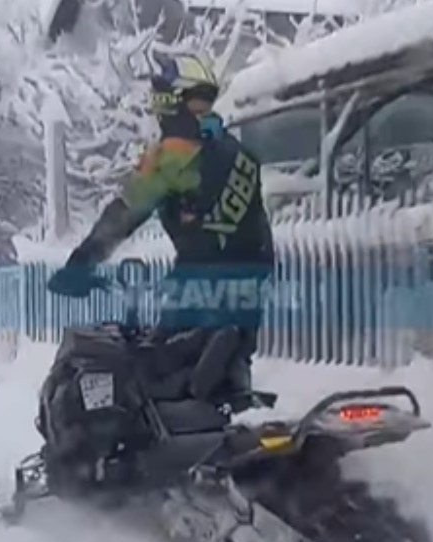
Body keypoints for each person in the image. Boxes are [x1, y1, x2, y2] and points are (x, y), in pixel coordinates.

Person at [47, 53, 275, 398]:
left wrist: (79, 266)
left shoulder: (171, 157)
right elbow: (261, 239)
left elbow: (123, 214)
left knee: (137, 387)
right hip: (242, 311)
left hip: (193, 306)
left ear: (171, 104)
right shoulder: (241, 154)